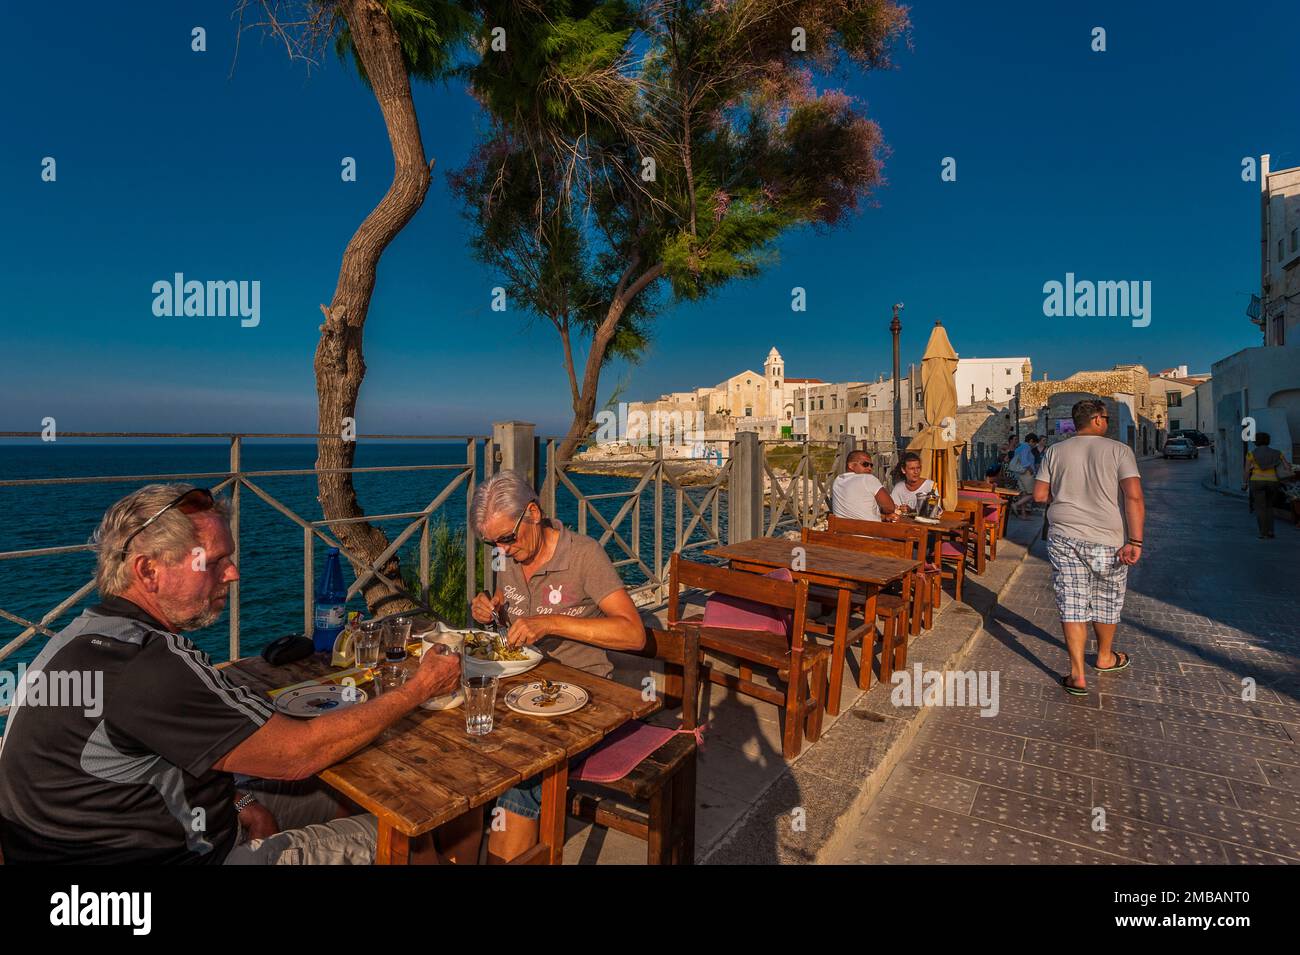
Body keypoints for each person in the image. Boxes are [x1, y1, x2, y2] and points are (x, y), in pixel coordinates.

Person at [0, 484, 461, 864]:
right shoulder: (148, 665)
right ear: (148, 571)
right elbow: (298, 754)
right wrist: (421, 686)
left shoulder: (85, 635)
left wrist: (240, 802)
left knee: (333, 793)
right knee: (409, 831)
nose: (234, 573)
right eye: (214, 560)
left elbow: (168, 758)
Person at [468, 470, 645, 863]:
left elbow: (634, 634)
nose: (502, 549)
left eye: (507, 538)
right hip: (523, 688)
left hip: (587, 696)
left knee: (522, 769)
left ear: (533, 513)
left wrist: (551, 623)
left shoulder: (584, 554)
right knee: (462, 740)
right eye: (492, 542)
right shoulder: (510, 554)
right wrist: (490, 606)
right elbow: (510, 598)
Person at [1033, 400, 1144, 697]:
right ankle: (1105, 657)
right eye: (1105, 417)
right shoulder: (1119, 451)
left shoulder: (1055, 451)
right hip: (1107, 538)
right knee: (1107, 598)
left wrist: (1067, 491)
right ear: (1096, 420)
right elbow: (1133, 497)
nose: (1106, 421)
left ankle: (1078, 674)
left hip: (1064, 536)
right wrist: (1135, 540)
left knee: (1072, 601)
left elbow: (1040, 495)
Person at [1242, 432, 1291, 539]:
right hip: (1272, 482)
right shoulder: (1277, 453)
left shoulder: (1251, 454)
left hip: (1257, 481)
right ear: (1267, 440)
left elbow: (1246, 471)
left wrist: (1244, 483)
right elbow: (1287, 467)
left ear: (1256, 442)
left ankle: (1263, 533)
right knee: (1269, 507)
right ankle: (1270, 532)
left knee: (1260, 508)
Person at [831, 450, 897, 522]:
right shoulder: (867, 478)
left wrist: (883, 516)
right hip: (869, 531)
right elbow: (890, 508)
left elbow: (856, 511)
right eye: (865, 464)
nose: (869, 468)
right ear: (851, 466)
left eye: (871, 465)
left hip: (841, 530)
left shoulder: (838, 480)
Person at [1008, 433, 1040, 517]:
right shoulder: (1026, 447)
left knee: (1024, 494)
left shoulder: (1019, 447)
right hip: (1026, 473)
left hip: (1019, 473)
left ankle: (1023, 514)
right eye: (1035, 443)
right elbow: (1025, 461)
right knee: (1032, 494)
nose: (1035, 445)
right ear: (1031, 441)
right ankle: (1016, 505)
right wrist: (1031, 470)